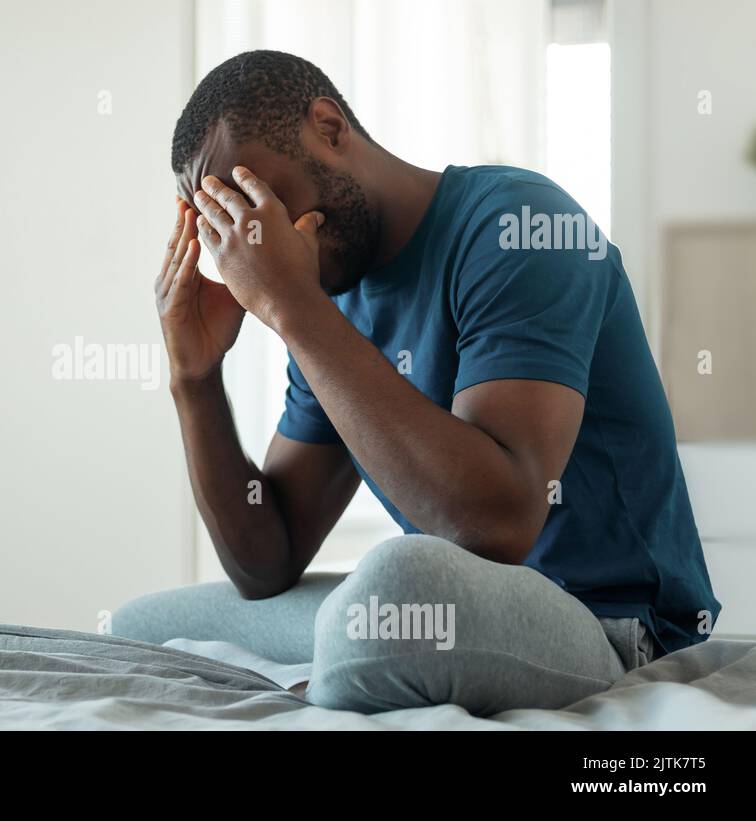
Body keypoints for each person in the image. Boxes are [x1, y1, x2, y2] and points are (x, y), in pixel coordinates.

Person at [111, 50, 720, 715]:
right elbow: (268, 560)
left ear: (328, 126)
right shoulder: (328, 301)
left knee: (393, 590)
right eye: (232, 221)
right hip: (458, 613)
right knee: (142, 628)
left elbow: (498, 522)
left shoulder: (520, 227)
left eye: (259, 199)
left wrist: (294, 309)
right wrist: (194, 377)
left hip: (614, 625)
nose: (260, 241)